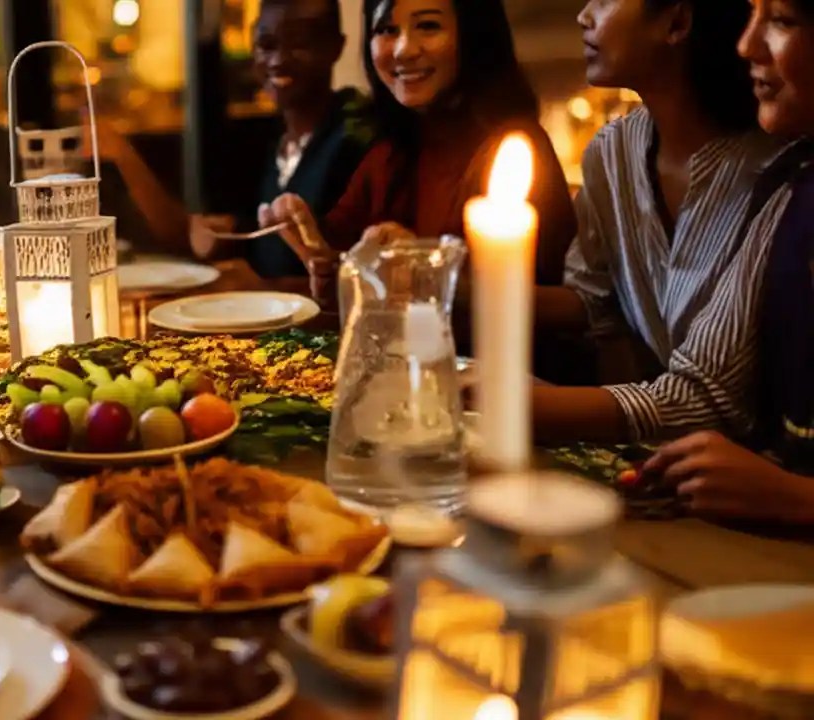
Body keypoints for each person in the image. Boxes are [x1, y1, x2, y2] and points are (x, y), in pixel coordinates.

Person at [531, 0, 791, 445]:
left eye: (605, 0)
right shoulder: (611, 154)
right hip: (668, 457)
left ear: (677, 22)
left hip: (765, 469)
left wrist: (531, 404)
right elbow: (596, 300)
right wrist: (455, 286)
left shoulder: (780, 170)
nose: (584, 16)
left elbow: (709, 396)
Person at [262, 0, 576, 292]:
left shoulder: (515, 150)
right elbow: (344, 273)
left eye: (428, 26)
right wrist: (317, 252)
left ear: (474, 34)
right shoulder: (388, 151)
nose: (403, 49)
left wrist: (423, 265)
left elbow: (543, 304)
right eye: (386, 30)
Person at [641, 0, 814, 523]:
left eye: (781, 20)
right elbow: (708, 383)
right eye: (750, 13)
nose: (746, 45)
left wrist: (797, 499)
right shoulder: (793, 188)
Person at [95, 0, 376, 278]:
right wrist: (229, 234)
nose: (278, 60)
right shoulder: (272, 141)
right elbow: (203, 239)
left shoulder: (356, 136)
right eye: (266, 45)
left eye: (299, 44)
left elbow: (348, 271)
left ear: (336, 47)